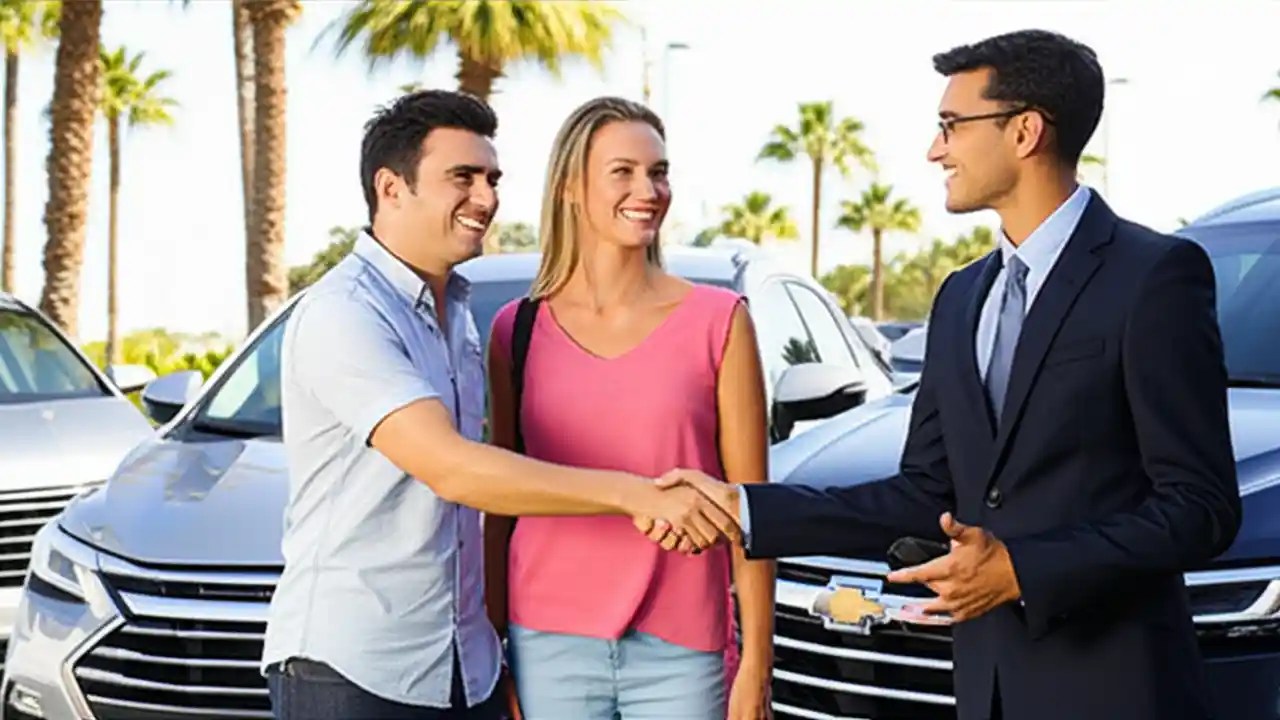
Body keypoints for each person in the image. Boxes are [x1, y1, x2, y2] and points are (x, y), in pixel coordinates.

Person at [654, 29, 1242, 720]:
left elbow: (1200, 508)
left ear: (1024, 131)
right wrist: (743, 507)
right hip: (985, 686)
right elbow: (926, 491)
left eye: (951, 126)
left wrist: (1022, 568)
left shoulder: (1154, 276)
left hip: (1117, 689)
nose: (936, 149)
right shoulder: (961, 295)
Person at [259, 89, 740, 720]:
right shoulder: (344, 313)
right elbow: (455, 470)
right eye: (462, 177)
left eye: (492, 178)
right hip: (355, 672)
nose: (485, 199)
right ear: (391, 188)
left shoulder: (455, 315)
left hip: (465, 667)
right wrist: (638, 494)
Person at [483, 96, 776, 720]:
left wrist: (756, 664)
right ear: (571, 186)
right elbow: (499, 503)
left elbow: (752, 505)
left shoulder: (719, 321)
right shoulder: (518, 330)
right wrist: (494, 649)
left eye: (659, 171)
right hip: (546, 642)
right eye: (624, 171)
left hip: (683, 647)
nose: (649, 189)